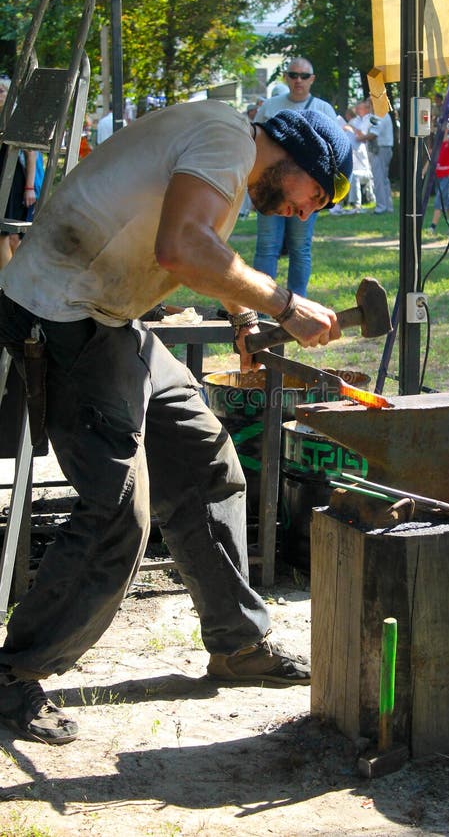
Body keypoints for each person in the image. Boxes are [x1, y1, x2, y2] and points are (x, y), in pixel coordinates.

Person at [0, 100, 353, 745]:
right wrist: (284, 301)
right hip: (63, 312)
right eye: (315, 196)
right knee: (116, 510)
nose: (305, 212)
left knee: (203, 460)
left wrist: (244, 318)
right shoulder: (226, 141)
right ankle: (12, 676)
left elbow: (202, 246)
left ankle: (239, 642)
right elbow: (181, 246)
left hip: (109, 316)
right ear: (298, 156)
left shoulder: (227, 147)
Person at [253, 58, 337, 296]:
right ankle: (262, 304)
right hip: (269, 189)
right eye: (293, 75)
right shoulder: (270, 106)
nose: (298, 80)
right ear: (286, 78)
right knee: (267, 246)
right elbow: (254, 144)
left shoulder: (323, 109)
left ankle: (298, 304)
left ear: (312, 79)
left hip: (305, 194)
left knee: (300, 248)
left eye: (303, 76)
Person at [0, 77, 40, 267]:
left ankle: (9, 286)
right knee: (9, 236)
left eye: (1, 91)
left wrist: (29, 187)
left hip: (14, 180)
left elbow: (31, 153)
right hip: (4, 178)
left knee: (8, 235)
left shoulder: (17, 118)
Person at [423, 125, 449, 233]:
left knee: (440, 200)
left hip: (447, 177)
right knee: (448, 202)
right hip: (438, 177)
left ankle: (432, 227)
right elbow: (430, 159)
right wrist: (423, 172)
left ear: (446, 130)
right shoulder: (437, 144)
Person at [361, 100, 394, 214]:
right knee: (384, 179)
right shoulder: (383, 114)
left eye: (369, 104)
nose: (368, 106)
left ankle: (381, 207)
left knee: (379, 179)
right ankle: (388, 206)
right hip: (385, 148)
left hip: (380, 149)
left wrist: (360, 137)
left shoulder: (380, 115)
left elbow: (373, 134)